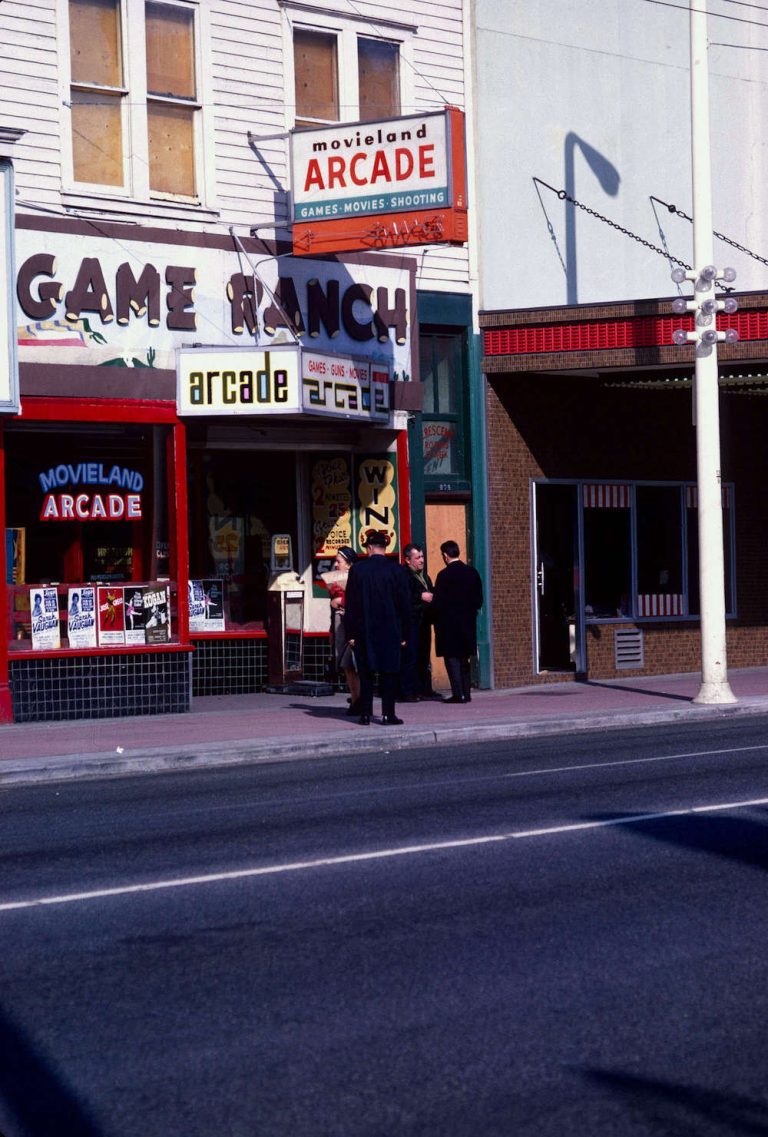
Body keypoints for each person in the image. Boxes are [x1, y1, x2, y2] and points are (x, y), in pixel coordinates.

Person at [344, 529, 410, 726]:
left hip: (364, 630)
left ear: (370, 548)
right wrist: (405, 632)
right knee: (389, 672)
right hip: (390, 630)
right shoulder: (397, 570)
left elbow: (351, 604)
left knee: (365, 673)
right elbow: (404, 605)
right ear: (384, 547)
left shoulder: (358, 570)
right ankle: (388, 714)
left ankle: (365, 714)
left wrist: (351, 633)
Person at [432, 539, 484, 704]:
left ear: (445, 556)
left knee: (452, 659)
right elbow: (478, 600)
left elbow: (438, 603)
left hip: (448, 625)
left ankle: (458, 693)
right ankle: (466, 693)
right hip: (467, 623)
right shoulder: (472, 572)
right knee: (464, 659)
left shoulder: (443, 575)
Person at [400, 543, 443, 702]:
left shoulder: (424, 576)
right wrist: (420, 597)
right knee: (411, 655)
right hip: (411, 622)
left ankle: (424, 688)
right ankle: (408, 691)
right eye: (417, 557)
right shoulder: (405, 576)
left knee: (424, 656)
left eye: (422, 557)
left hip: (424, 621)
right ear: (407, 560)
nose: (421, 560)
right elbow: (404, 598)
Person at [328, 546, 361, 715]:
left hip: (349, 623)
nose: (335, 564)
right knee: (345, 664)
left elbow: (358, 600)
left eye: (338, 561)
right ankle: (355, 697)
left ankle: (358, 699)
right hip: (339, 623)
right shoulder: (337, 579)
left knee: (352, 662)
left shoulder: (355, 579)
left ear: (348, 564)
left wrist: (340, 601)